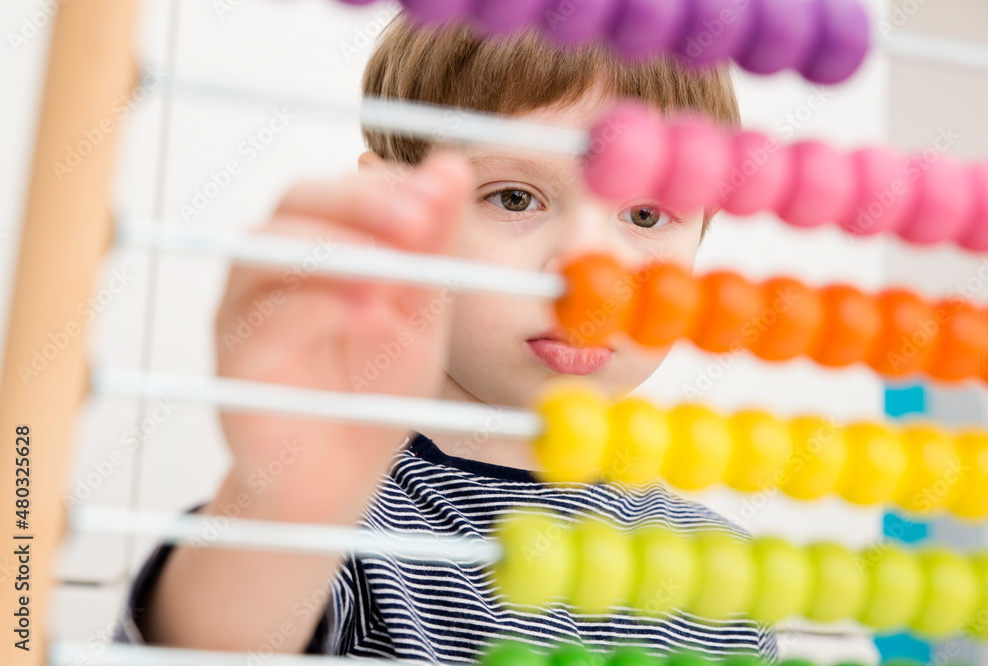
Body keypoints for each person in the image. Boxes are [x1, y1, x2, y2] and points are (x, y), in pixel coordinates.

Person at [114, 14, 777, 662]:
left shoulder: (731, 583)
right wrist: (281, 506)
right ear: (394, 211)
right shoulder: (330, 533)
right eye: (514, 197)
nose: (586, 272)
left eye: (645, 213)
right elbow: (210, 639)